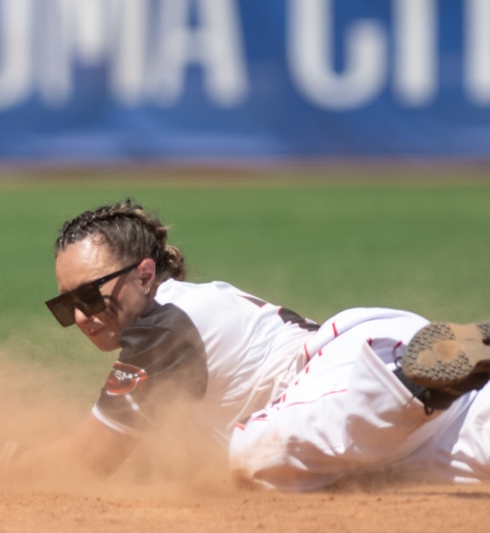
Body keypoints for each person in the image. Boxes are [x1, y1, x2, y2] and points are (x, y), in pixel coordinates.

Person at [26, 199, 490, 491]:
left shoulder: (163, 326)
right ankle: (430, 382)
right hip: (400, 431)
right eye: (66, 307)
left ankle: (417, 376)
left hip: (357, 376)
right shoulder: (177, 319)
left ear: (145, 274)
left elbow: (88, 461)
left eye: (90, 294)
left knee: (253, 454)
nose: (83, 317)